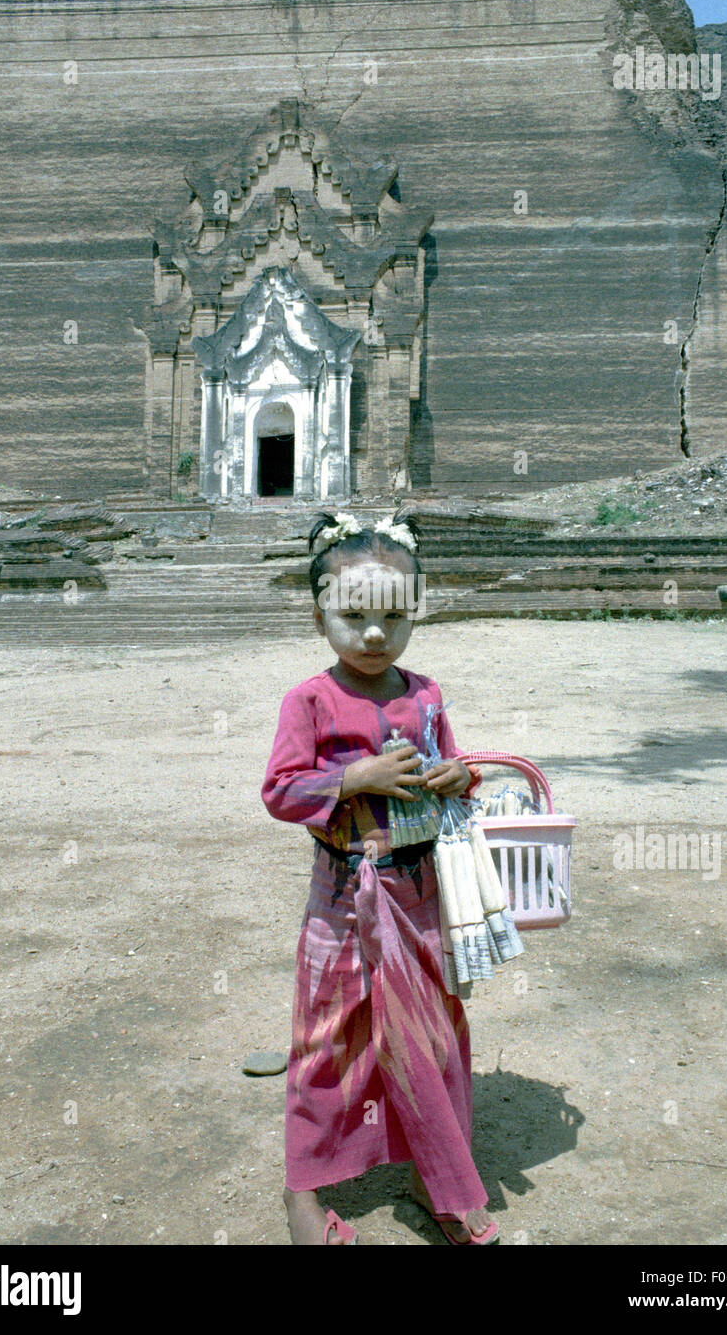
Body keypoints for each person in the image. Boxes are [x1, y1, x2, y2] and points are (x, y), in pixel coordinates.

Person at [261, 506, 498, 1246]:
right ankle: (305, 1195)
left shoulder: (424, 693)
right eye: (353, 615)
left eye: (392, 619)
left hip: (421, 895)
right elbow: (279, 790)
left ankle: (445, 1182)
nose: (372, 635)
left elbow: (454, 772)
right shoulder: (308, 701)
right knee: (328, 1041)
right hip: (343, 901)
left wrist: (459, 776)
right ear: (317, 615)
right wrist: (353, 775)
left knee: (434, 1035)